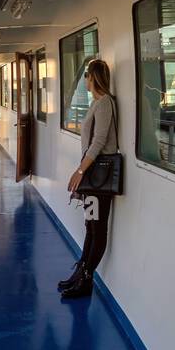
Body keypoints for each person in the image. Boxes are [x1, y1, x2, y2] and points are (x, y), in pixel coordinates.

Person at [60, 58, 117, 299]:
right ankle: (79, 275)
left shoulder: (105, 103)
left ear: (93, 77)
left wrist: (80, 171)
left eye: (86, 75)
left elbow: (99, 141)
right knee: (90, 226)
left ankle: (86, 280)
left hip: (99, 178)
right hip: (93, 177)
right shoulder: (97, 103)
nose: (84, 79)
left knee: (97, 228)